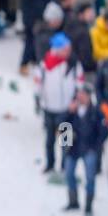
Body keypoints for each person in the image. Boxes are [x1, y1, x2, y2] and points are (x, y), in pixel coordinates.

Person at [35, 33, 84, 180]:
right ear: (57, 49)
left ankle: (65, 166)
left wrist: (76, 101)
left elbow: (79, 84)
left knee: (66, 141)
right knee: (49, 139)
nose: (68, 52)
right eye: (65, 49)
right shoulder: (45, 64)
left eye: (69, 49)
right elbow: (37, 83)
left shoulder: (74, 64)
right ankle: (50, 164)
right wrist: (38, 99)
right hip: (49, 108)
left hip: (66, 109)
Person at [59, 83, 108, 216]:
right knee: (69, 174)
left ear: (88, 96)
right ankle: (73, 201)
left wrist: (97, 147)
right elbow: (63, 126)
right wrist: (69, 112)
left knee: (90, 177)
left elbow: (103, 130)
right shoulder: (72, 109)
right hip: (73, 148)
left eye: (83, 94)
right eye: (79, 94)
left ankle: (88, 205)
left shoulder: (96, 111)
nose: (80, 97)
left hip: (89, 148)